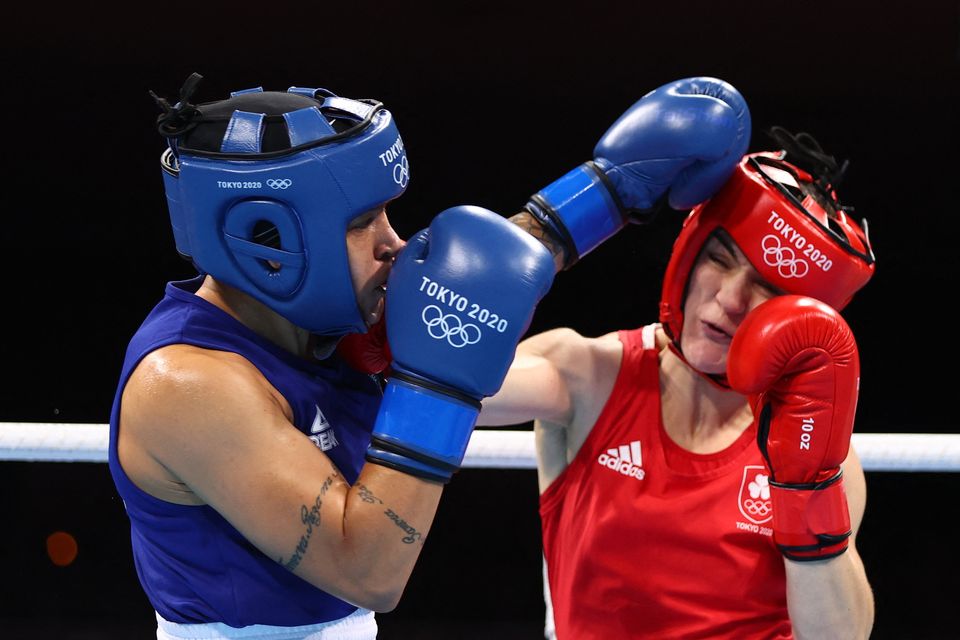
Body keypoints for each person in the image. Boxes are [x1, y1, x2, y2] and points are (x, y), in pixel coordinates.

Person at [108, 72, 745, 639]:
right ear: (267, 237)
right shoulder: (189, 383)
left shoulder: (314, 325)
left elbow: (482, 275)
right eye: (363, 224)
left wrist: (612, 188)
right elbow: (368, 569)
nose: (395, 244)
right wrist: (435, 383)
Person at [477, 112, 878, 638]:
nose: (731, 300)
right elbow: (436, 376)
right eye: (719, 258)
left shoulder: (818, 450)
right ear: (687, 253)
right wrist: (570, 214)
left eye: (768, 288)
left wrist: (806, 492)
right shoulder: (589, 375)